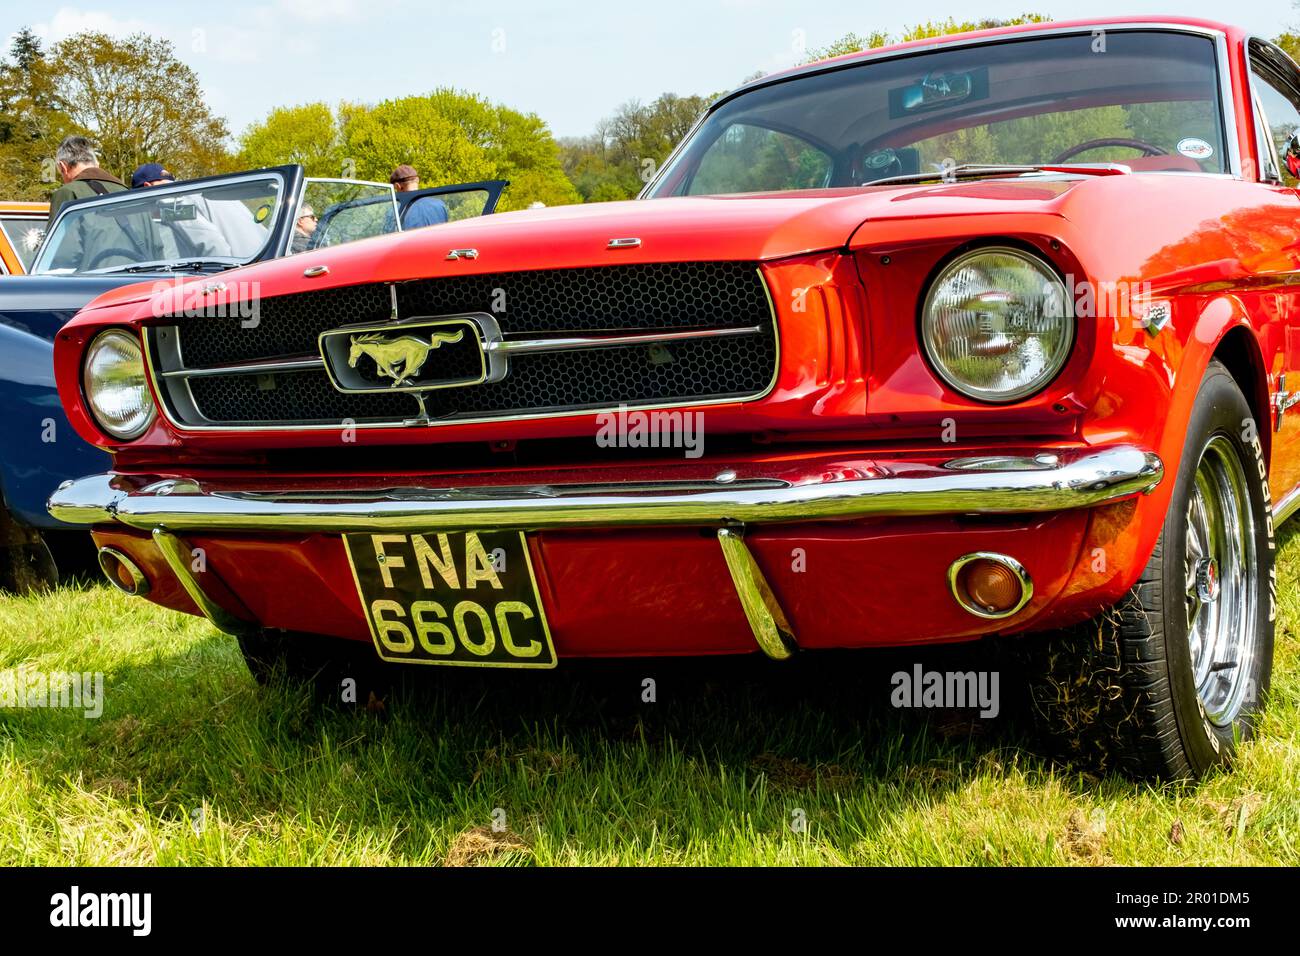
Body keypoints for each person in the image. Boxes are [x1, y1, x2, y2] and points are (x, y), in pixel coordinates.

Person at [45, 136, 126, 229]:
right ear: (97, 165)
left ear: (63, 167)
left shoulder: (67, 192)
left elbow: (60, 241)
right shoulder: (127, 191)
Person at [389, 164, 449, 230]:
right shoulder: (439, 204)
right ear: (417, 180)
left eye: (395, 189)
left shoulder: (397, 211)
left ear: (398, 186)